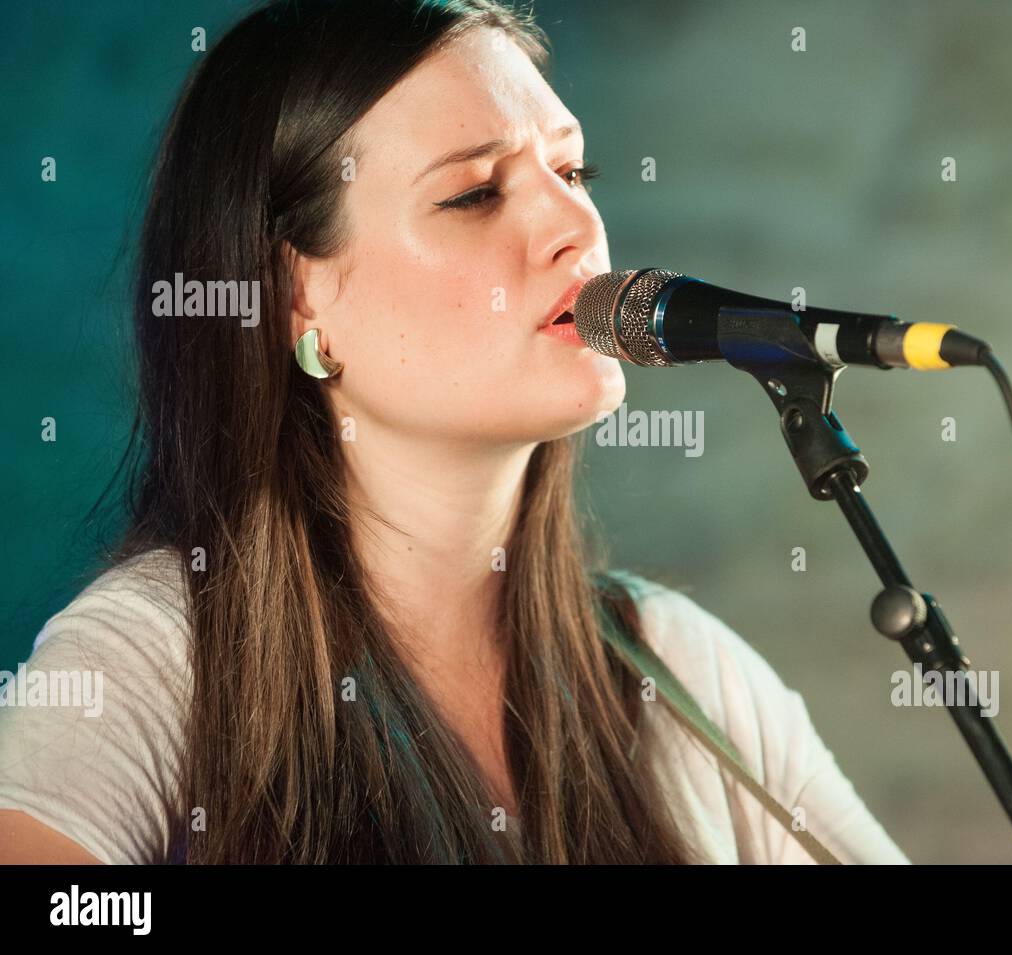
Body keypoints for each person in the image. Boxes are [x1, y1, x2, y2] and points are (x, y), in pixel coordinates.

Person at [0, 0, 907, 865]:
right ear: (298, 299)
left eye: (572, 171)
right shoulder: (156, 657)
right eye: (475, 193)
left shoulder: (684, 670)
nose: (578, 226)